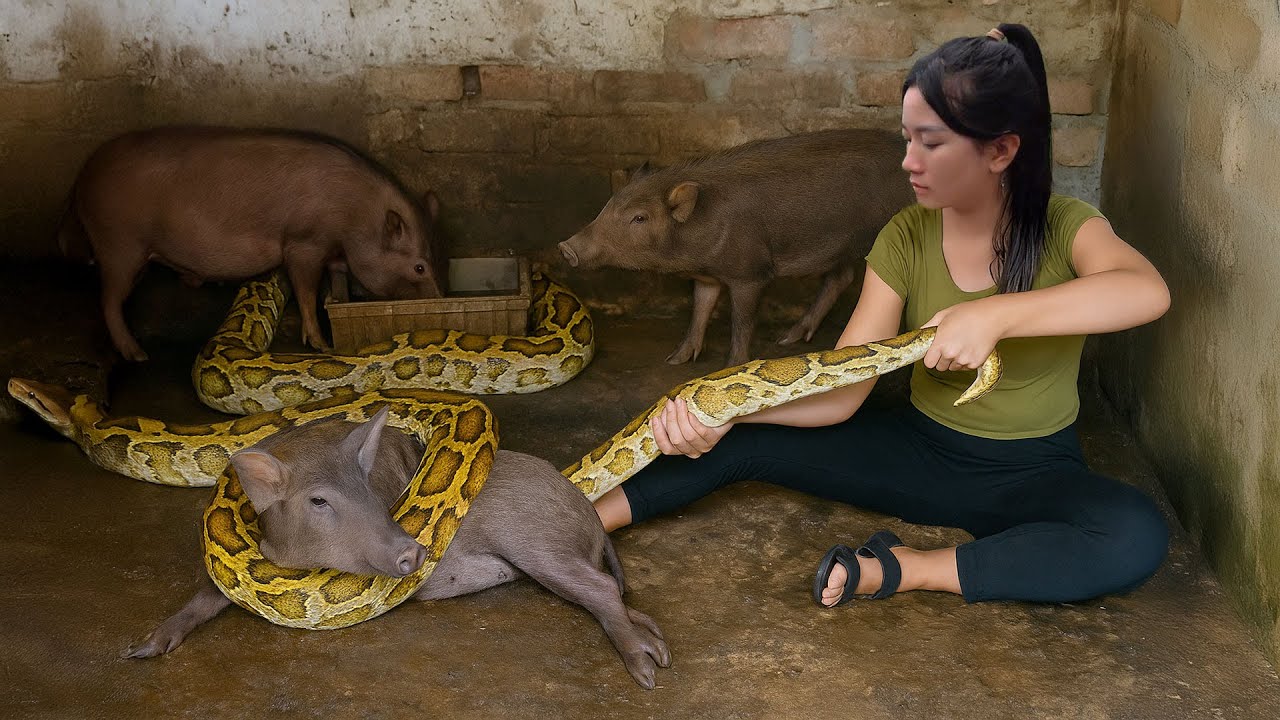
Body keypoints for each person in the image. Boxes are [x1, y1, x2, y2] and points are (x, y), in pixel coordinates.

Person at [591, 23, 1172, 607]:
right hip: (914, 454)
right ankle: (578, 519)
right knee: (734, 437)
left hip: (1033, 473)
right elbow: (843, 389)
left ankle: (908, 569)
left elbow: (1145, 291)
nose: (908, 162)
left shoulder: (1068, 225)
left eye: (932, 143)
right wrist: (728, 413)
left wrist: (995, 316)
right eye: (907, 140)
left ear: (1000, 150)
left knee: (1134, 535)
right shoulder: (904, 235)